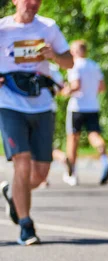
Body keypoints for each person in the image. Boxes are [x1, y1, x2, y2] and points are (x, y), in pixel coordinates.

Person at [0, 0, 73, 245]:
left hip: (42, 105)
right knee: (22, 163)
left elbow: (69, 61)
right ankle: (26, 225)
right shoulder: (3, 29)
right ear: (14, 1)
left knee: (40, 174)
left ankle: (12, 193)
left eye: (37, 0)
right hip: (9, 104)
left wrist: (54, 55)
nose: (33, 4)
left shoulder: (48, 27)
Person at [62, 40, 108, 186]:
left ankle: (72, 174)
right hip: (92, 106)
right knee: (94, 135)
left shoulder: (74, 65)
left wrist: (66, 90)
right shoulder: (94, 65)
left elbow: (76, 85)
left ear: (75, 52)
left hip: (76, 107)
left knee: (73, 139)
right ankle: (105, 161)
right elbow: (102, 87)